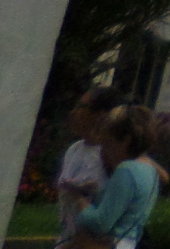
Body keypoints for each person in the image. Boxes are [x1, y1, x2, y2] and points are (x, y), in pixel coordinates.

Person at [72, 106, 161, 249]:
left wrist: (80, 198)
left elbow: (100, 223)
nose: (104, 150)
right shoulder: (150, 170)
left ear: (125, 140)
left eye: (108, 143)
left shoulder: (126, 170)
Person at [54, 87, 120, 248]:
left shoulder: (111, 157)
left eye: (81, 107)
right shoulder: (74, 149)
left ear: (100, 114)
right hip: (68, 239)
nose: (73, 113)